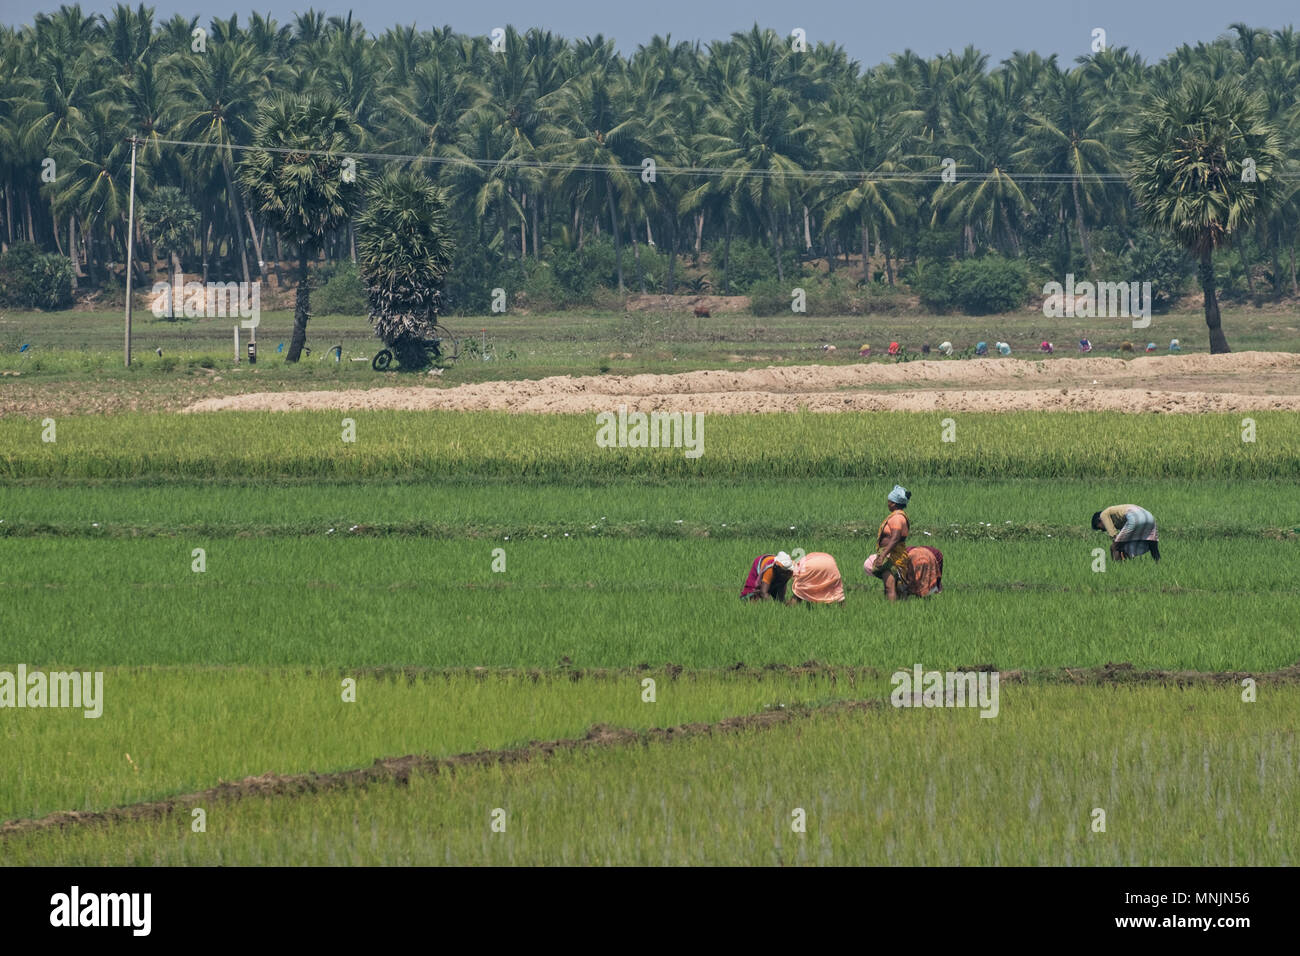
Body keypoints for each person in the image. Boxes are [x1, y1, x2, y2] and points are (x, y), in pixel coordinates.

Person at [870, 485, 912, 601]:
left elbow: (895, 538)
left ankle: (893, 611)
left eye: (889, 502)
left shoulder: (897, 518)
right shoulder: (898, 516)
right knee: (891, 586)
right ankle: (895, 609)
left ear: (894, 503)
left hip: (892, 556)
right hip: (891, 554)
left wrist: (883, 555)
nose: (887, 504)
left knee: (890, 587)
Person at [865, 546, 943, 598]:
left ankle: (923, 600)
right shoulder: (894, 555)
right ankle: (933, 596)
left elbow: (901, 581)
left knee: (914, 585)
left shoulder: (888, 566)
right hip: (932, 554)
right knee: (929, 583)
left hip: (917, 557)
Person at [1092, 505, 1161, 561]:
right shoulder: (1117, 518)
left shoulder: (1103, 515)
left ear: (1099, 520)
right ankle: (1159, 564)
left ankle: (1117, 569)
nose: (1102, 530)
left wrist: (1116, 544)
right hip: (1150, 517)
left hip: (1134, 517)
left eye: (1099, 527)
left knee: (1114, 547)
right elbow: (1126, 537)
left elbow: (1114, 536)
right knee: (1152, 545)